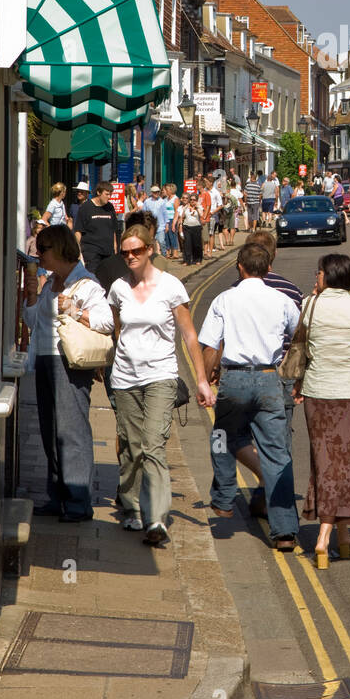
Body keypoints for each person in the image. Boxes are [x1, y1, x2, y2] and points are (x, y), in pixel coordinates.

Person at [109, 225, 214, 544]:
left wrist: (201, 380)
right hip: (125, 378)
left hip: (161, 376)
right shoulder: (118, 288)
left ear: (151, 249)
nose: (130, 257)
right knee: (130, 447)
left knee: (153, 444)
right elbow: (116, 330)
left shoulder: (171, 287)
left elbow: (190, 335)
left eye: (136, 251)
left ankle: (156, 518)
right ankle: (131, 508)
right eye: (125, 252)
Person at [199, 242, 301, 551]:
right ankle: (284, 532)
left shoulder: (225, 299)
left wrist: (205, 378)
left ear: (240, 268)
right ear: (268, 268)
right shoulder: (282, 300)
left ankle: (224, 497)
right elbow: (299, 336)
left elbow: (210, 345)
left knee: (221, 435)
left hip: (236, 377)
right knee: (277, 454)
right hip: (270, 379)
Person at [21, 223, 114, 521]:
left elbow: (106, 322)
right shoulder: (52, 283)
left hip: (69, 362)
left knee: (71, 430)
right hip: (46, 359)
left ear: (59, 249)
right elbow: (35, 322)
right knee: (50, 430)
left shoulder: (86, 284)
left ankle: (78, 502)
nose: (39, 255)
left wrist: (75, 311)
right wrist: (33, 295)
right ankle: (56, 495)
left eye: (42, 249)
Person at [295, 253, 350, 569]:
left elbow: (300, 349)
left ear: (327, 276)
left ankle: (339, 538)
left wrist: (297, 384)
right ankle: (326, 538)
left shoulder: (310, 305)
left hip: (319, 394)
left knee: (325, 462)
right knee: (347, 463)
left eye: (319, 272)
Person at [73, 181, 119, 277]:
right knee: (93, 279)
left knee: (107, 280)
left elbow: (113, 229)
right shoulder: (85, 208)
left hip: (108, 252)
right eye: (106, 194)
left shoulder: (110, 207)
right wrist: (78, 251)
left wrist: (115, 248)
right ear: (99, 192)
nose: (109, 197)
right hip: (91, 252)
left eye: (110, 194)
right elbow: (78, 231)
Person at [143, 184, 168, 257]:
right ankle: (151, 256)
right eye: (154, 192)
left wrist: (167, 224)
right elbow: (144, 212)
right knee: (150, 242)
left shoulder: (162, 202)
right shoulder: (147, 201)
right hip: (150, 226)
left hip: (160, 225)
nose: (156, 193)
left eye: (158, 192)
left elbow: (165, 213)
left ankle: (164, 255)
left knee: (161, 241)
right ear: (151, 192)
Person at [181, 191, 204, 265]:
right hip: (187, 227)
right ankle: (187, 260)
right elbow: (182, 216)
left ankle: (197, 259)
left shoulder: (199, 207)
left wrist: (197, 207)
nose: (192, 201)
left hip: (196, 227)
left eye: (194, 200)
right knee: (187, 244)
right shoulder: (186, 207)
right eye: (191, 199)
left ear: (197, 200)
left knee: (196, 244)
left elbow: (201, 215)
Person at [162, 184, 180, 259]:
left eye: (167, 190)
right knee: (166, 236)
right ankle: (168, 252)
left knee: (173, 236)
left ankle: (175, 253)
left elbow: (176, 211)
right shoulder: (165, 199)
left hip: (172, 219)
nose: (165, 191)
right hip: (166, 220)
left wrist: (174, 223)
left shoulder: (175, 199)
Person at [199, 177, 213, 258]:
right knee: (201, 236)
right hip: (199, 218)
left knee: (205, 236)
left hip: (205, 218)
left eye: (197, 185)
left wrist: (204, 216)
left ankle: (205, 252)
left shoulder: (206, 194)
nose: (196, 186)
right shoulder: (199, 195)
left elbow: (208, 205)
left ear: (201, 186)